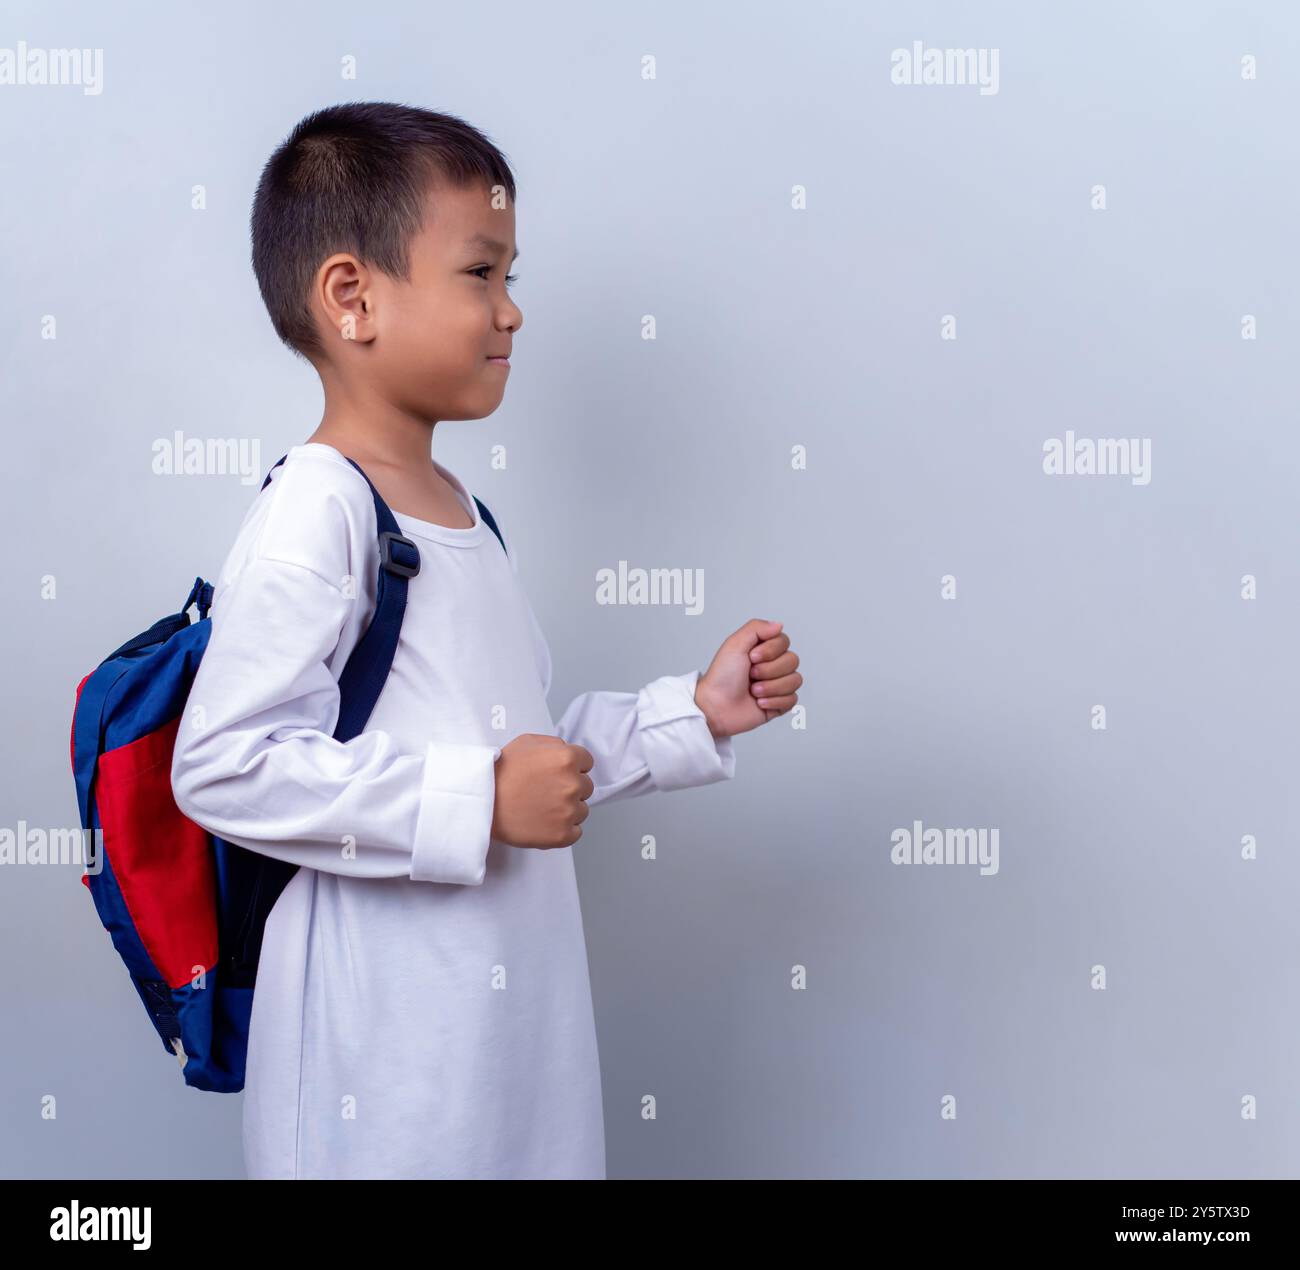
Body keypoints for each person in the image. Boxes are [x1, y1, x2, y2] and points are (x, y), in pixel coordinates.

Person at [170, 101, 804, 1180]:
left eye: (512, 277)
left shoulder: (462, 510)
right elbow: (224, 765)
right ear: (351, 297)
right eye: (481, 273)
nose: (511, 312)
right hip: (381, 1063)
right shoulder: (317, 510)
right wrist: (476, 800)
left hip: (508, 1045)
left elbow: (525, 760)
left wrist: (687, 715)